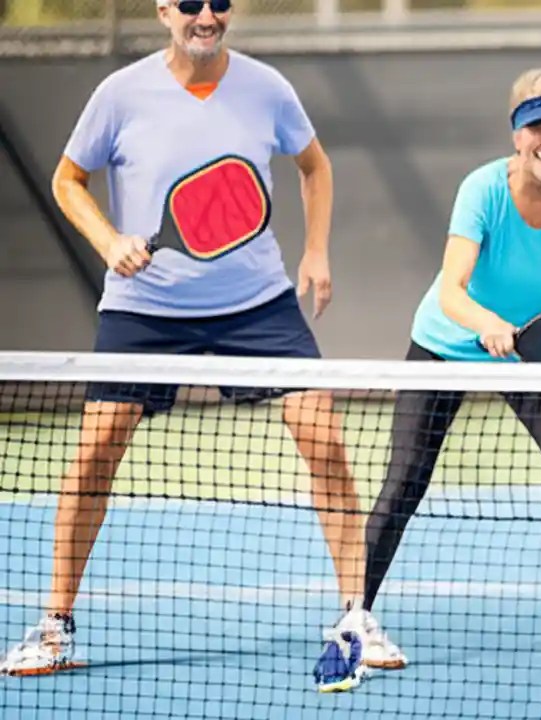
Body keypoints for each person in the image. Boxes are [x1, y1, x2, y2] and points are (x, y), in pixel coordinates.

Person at [0, 0, 366, 682]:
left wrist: (315, 251)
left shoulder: (267, 88)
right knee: (94, 454)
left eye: (220, 2)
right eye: (192, 2)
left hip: (256, 303)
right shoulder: (119, 94)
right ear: (164, 10)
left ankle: (356, 616)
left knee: (324, 441)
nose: (207, 14)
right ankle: (55, 624)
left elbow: (314, 166)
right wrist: (109, 241)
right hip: (145, 308)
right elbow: (67, 180)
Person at [314, 68, 541, 688]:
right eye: (537, 125)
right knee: (405, 479)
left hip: (531, 356)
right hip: (446, 344)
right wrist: (489, 325)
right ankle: (352, 623)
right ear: (516, 133)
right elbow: (452, 291)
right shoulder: (482, 189)